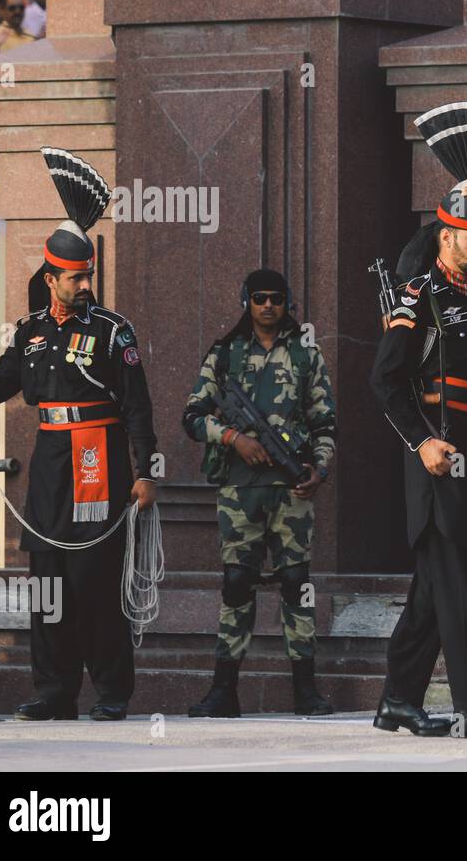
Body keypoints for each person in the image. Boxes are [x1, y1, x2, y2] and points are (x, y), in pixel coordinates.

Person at [0, 148, 157, 721]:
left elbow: (139, 407)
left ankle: (113, 693)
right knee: (48, 586)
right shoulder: (31, 332)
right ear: (51, 278)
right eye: (75, 276)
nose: (84, 283)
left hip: (99, 458)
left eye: (88, 274)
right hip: (49, 466)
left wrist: (147, 473)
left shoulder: (114, 330)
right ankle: (54, 693)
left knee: (95, 584)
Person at [370, 103, 467, 740]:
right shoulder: (419, 294)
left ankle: (398, 702)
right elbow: (386, 380)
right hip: (436, 457)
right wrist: (423, 440)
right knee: (460, 588)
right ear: (444, 236)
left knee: (435, 592)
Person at [181, 269, 337, 718]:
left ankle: (306, 691)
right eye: (259, 298)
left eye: (276, 298)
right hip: (239, 490)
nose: (268, 306)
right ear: (246, 301)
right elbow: (192, 417)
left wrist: (319, 469)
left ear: (288, 302)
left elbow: (326, 423)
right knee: (236, 584)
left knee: (295, 584)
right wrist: (234, 439)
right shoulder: (225, 352)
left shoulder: (307, 353)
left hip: (292, 490)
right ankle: (224, 691)